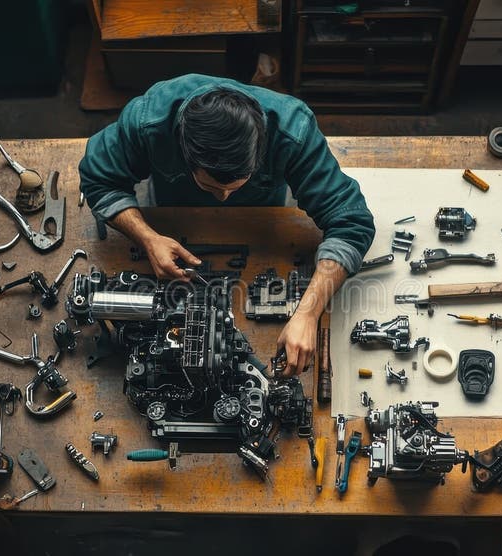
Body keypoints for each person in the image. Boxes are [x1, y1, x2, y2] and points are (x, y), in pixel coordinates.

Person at [79, 74, 375, 375]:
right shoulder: (149, 122)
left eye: (236, 187)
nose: (222, 198)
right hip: (172, 215)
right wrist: (148, 238)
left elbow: (352, 223)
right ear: (183, 152)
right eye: (209, 186)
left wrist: (308, 314)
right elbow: (98, 179)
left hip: (262, 219)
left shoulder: (294, 132)